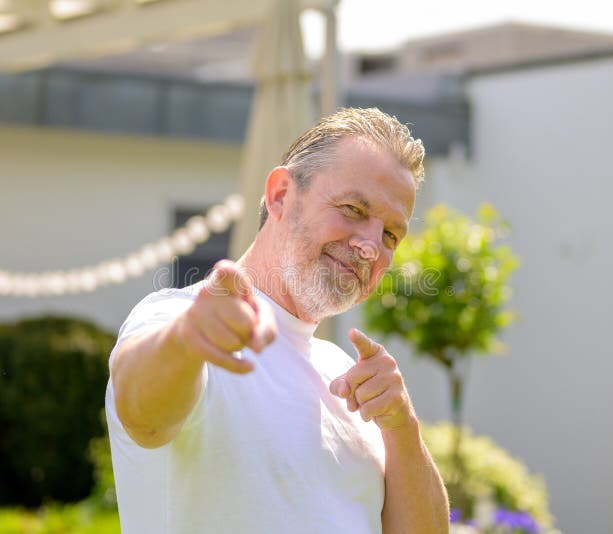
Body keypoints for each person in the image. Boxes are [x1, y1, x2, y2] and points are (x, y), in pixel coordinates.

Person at [105, 107, 450, 533]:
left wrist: (402, 426)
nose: (369, 247)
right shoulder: (176, 319)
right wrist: (187, 340)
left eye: (390, 235)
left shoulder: (347, 375)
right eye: (353, 209)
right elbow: (142, 416)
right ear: (281, 194)